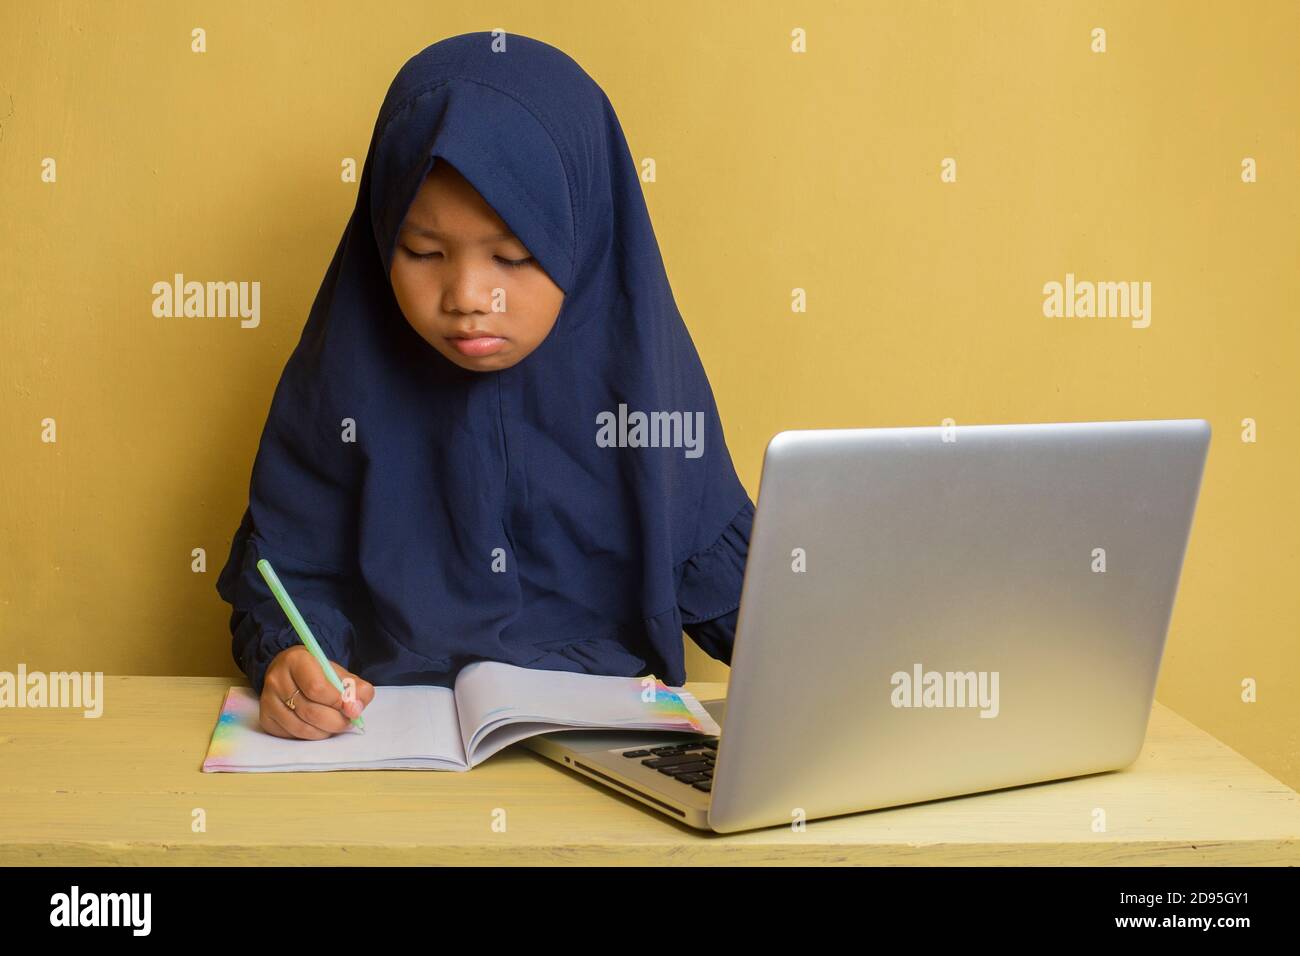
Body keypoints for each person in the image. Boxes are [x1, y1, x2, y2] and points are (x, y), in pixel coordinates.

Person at [216, 31, 754, 741]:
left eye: (514, 256)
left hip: (606, 761)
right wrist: (290, 661)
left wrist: (838, 655)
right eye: (422, 251)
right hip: (390, 751)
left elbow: (732, 597)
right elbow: (289, 577)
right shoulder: (344, 380)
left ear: (587, 239)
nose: (469, 296)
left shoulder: (644, 386)